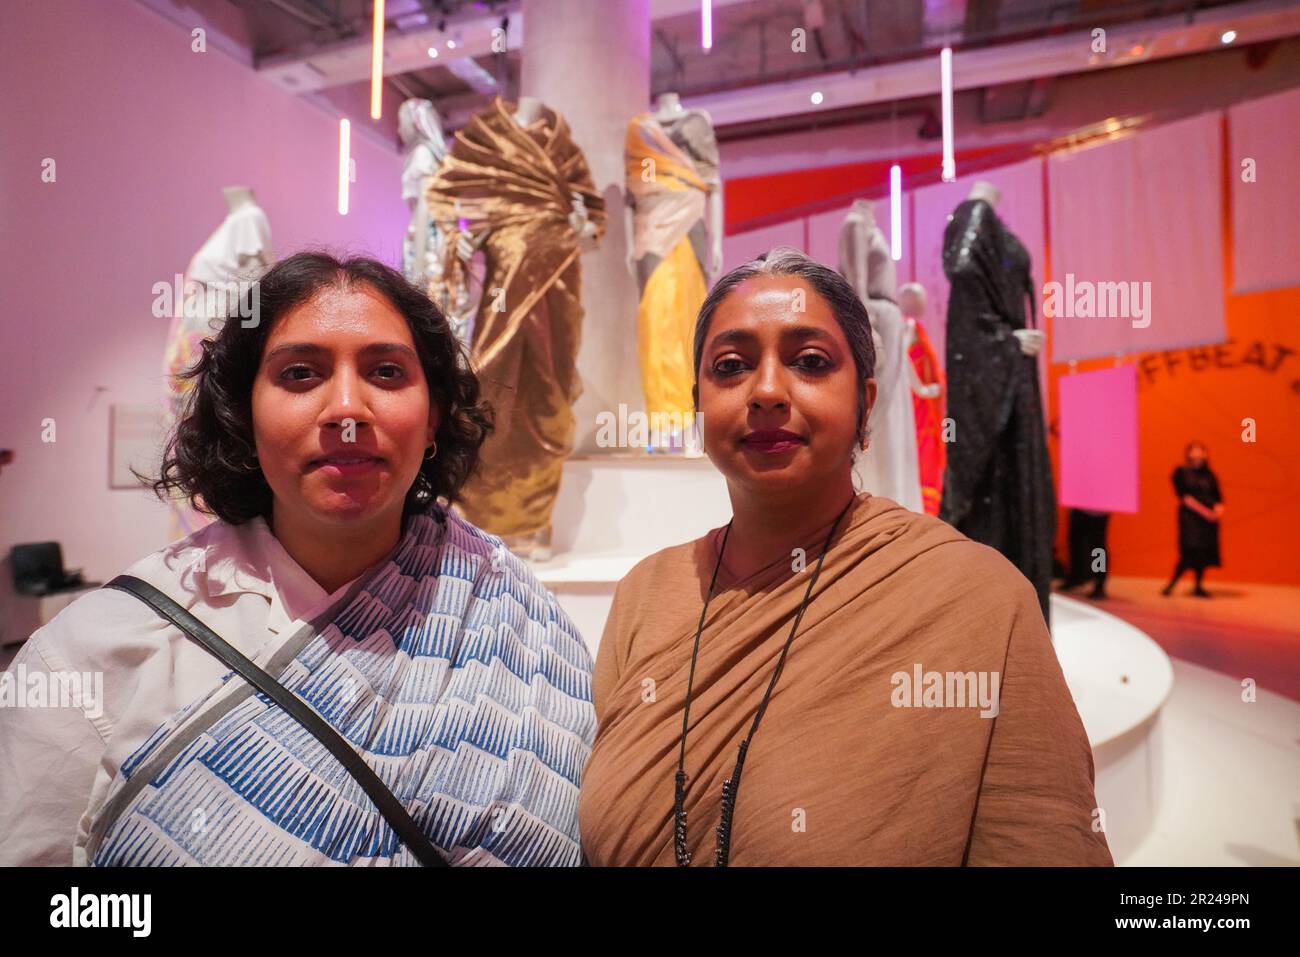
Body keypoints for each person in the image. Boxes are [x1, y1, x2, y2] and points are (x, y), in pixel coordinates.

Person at [0, 252, 596, 866]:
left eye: (387, 373)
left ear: (434, 416)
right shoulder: (103, 648)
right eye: (301, 374)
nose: (346, 411)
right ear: (244, 414)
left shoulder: (520, 619)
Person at [577, 248, 1111, 866]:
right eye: (731, 366)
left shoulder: (975, 599)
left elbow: (1039, 842)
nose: (768, 390)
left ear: (865, 405)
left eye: (809, 362)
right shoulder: (646, 592)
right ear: (698, 403)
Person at [1162, 441, 1224, 598]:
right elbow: (1185, 497)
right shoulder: (1181, 472)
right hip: (1191, 519)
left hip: (1208, 521)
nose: (1197, 454)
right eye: (1194, 450)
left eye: (1200, 450)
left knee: (1203, 553)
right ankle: (1172, 584)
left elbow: (1218, 496)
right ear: (1188, 453)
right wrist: (1205, 512)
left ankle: (1198, 586)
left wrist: (1217, 510)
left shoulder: (1210, 475)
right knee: (1189, 551)